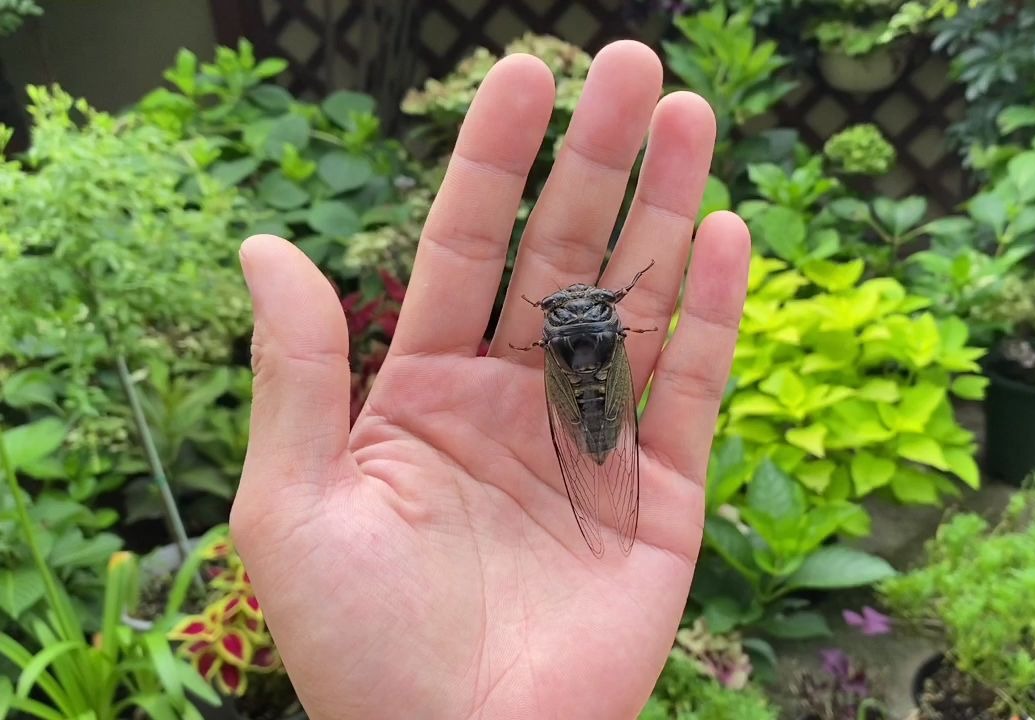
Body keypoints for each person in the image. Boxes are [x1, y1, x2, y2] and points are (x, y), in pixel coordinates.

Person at [231, 39, 750, 719]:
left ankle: (597, 447)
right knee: (599, 418)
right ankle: (599, 447)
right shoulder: (611, 325)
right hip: (595, 396)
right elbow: (620, 325)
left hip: (588, 394)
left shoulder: (560, 336)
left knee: (597, 417)